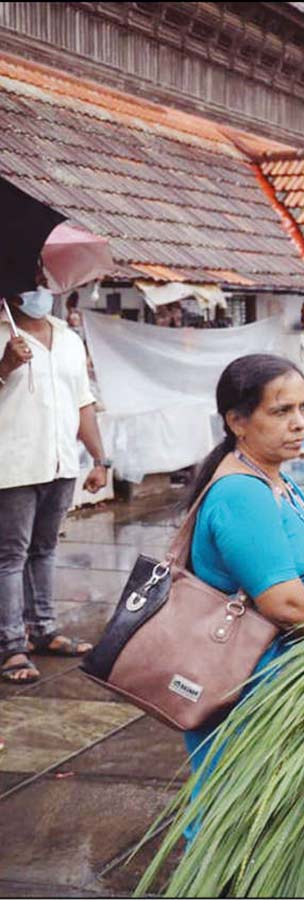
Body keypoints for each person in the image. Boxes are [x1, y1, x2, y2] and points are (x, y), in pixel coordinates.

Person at [180, 353, 304, 834]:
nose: (298, 423)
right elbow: (283, 602)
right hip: (253, 688)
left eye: (303, 408)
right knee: (237, 820)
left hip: (286, 683)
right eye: (281, 411)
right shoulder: (241, 494)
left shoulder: (274, 478)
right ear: (236, 421)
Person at [0, 285, 109, 684]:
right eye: (26, 284)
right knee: (10, 557)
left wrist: (100, 459)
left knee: (44, 550)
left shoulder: (67, 337)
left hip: (61, 462)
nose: (37, 291)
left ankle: (43, 629)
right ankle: (12, 646)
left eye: (40, 281)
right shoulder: (3, 336)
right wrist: (4, 366)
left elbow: (82, 402)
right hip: (11, 466)